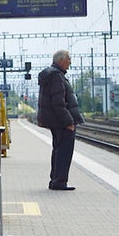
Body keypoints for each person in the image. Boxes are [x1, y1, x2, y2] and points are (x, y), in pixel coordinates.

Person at [36, 49, 83, 191]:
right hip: (61, 123)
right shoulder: (56, 76)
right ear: (61, 60)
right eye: (68, 58)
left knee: (58, 150)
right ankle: (59, 181)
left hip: (56, 121)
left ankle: (55, 180)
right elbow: (58, 103)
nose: (70, 61)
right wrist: (68, 122)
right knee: (64, 152)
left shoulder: (53, 75)